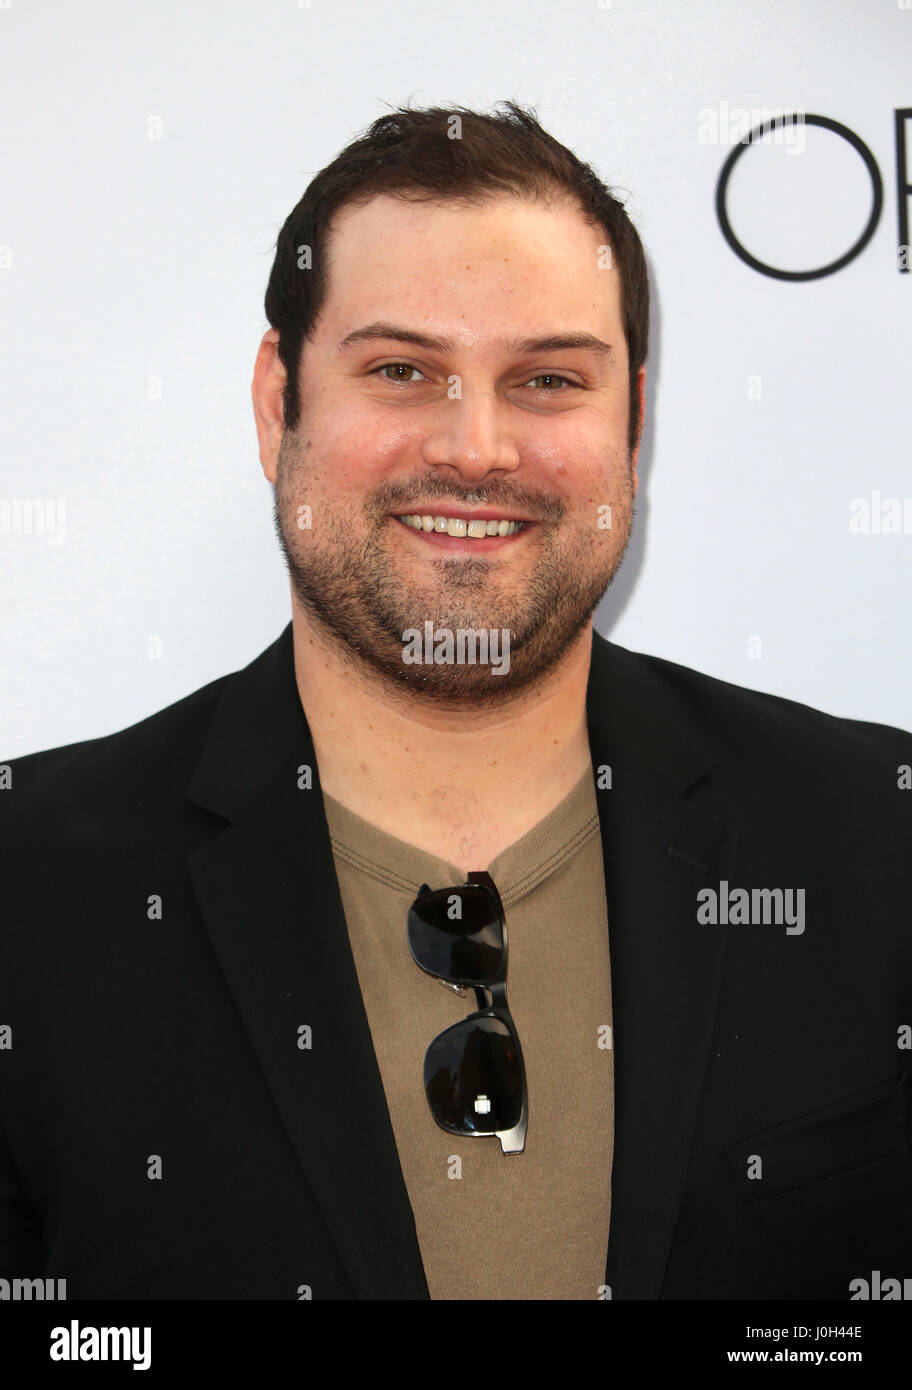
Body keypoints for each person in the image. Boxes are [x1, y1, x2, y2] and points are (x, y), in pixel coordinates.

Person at [1, 101, 910, 1303]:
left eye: (545, 378)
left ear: (634, 418)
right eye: (401, 369)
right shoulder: (31, 885)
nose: (477, 448)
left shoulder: (877, 839)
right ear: (280, 405)